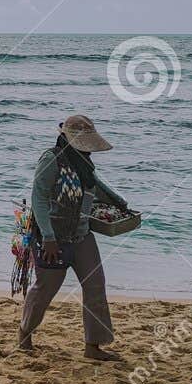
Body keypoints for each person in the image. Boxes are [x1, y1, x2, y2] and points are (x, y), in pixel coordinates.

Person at [18, 114, 131, 361]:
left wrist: (119, 202)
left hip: (81, 235)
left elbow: (96, 186)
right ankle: (25, 334)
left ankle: (93, 347)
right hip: (52, 238)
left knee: (95, 286)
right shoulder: (51, 160)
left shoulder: (84, 163)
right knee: (45, 289)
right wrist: (48, 237)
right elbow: (38, 198)